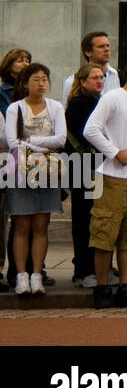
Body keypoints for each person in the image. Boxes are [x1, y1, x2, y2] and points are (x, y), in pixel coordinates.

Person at [82, 55, 127, 309]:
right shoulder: (113, 97)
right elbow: (90, 129)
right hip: (112, 176)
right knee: (105, 233)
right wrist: (115, 152)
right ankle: (101, 286)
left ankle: (125, 285)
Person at [3, 63, 66, 296]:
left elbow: (60, 139)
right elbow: (12, 142)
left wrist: (29, 141)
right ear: (25, 83)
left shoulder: (56, 107)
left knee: (41, 225)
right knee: (21, 225)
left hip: (47, 172)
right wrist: (40, 142)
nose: (41, 84)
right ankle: (21, 275)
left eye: (44, 79)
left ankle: (37, 274)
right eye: (36, 79)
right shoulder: (15, 108)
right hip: (20, 171)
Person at [63, 62, 105, 287]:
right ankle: (83, 270)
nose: (100, 81)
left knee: (92, 218)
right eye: (95, 77)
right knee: (84, 219)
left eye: (102, 77)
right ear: (82, 81)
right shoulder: (81, 104)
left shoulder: (94, 101)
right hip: (83, 166)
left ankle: (91, 267)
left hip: (90, 166)